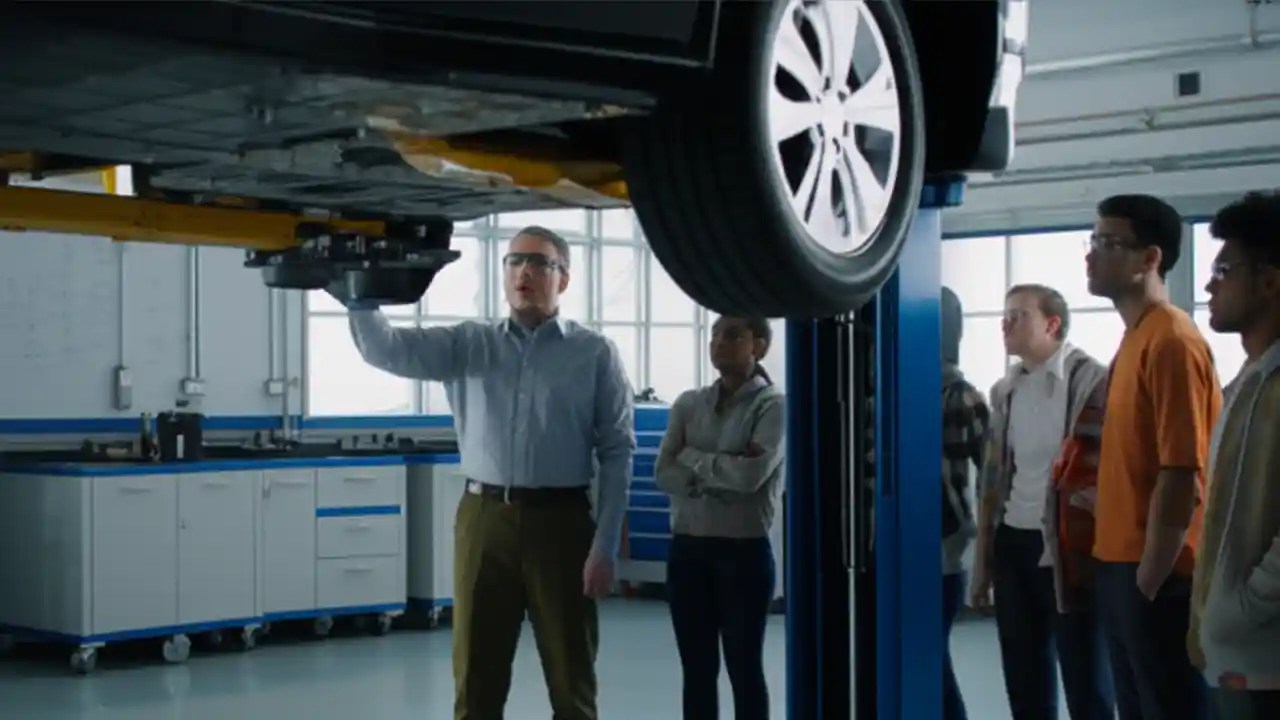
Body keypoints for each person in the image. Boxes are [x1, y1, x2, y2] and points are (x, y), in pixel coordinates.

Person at [345, 225, 636, 720]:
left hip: (561, 523)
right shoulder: (469, 343)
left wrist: (605, 547)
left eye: (540, 263)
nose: (524, 271)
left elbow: (617, 451)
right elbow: (386, 349)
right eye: (514, 260)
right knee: (476, 677)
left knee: (572, 680)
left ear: (563, 279)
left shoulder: (594, 354)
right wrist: (357, 295)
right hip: (483, 518)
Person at [1086, 194, 1221, 720]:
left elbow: (1181, 471)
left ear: (1151, 259)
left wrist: (1149, 576)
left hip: (1160, 574)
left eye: (1109, 243)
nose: (1092, 255)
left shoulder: (1171, 341)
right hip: (1120, 564)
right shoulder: (1134, 339)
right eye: (1092, 241)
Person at [971, 284, 1115, 720]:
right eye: (1004, 314)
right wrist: (984, 563)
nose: (1005, 324)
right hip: (1015, 542)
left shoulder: (1093, 382)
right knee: (1024, 678)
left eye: (1018, 315)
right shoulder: (1006, 390)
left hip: (1070, 548)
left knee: (1085, 678)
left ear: (1052, 324)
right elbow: (993, 482)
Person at [654, 316, 785, 720]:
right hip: (689, 551)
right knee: (697, 670)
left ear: (759, 346)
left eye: (733, 335)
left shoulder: (774, 406)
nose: (719, 343)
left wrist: (691, 458)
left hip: (742, 554)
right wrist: (718, 469)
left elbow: (749, 477)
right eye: (714, 334)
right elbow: (663, 472)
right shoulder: (688, 404)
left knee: (744, 668)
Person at [1188, 191, 1280, 720]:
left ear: (1270, 281)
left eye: (1225, 268)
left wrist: (1243, 608)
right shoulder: (1249, 378)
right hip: (1237, 650)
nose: (1209, 284)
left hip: (1267, 657)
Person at [939, 286, 990, 720]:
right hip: (880, 546)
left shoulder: (963, 396)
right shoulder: (877, 389)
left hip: (941, 548)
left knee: (929, 657)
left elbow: (990, 479)